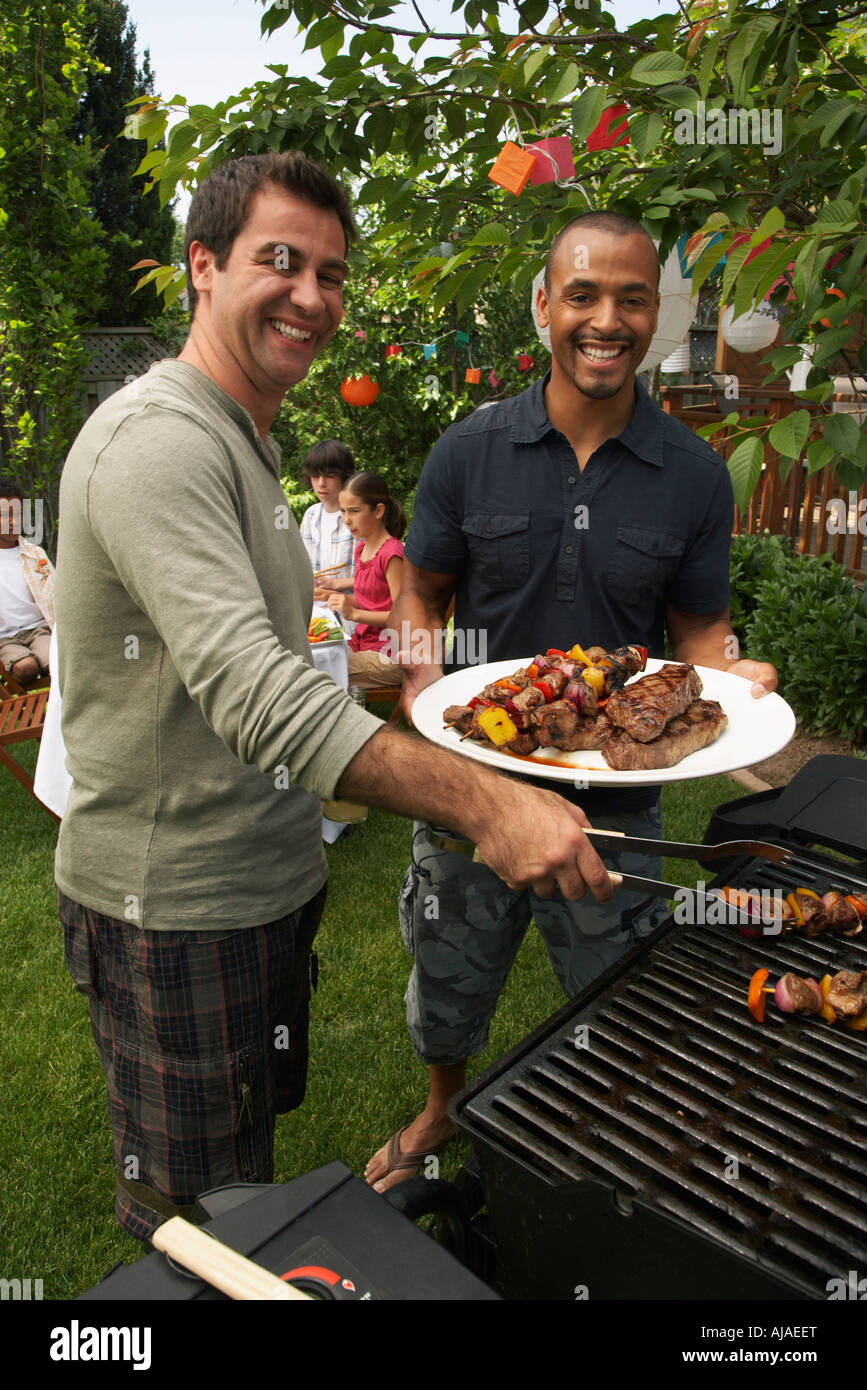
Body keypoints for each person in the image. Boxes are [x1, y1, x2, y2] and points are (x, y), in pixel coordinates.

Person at [54, 151, 612, 1242]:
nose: (314, 295)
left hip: (253, 894)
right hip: (177, 915)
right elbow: (259, 697)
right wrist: (490, 802)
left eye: (332, 272)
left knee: (243, 1179)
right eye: (281, 260)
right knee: (196, 1229)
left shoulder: (242, 440)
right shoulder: (157, 443)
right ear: (201, 266)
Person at [364, 210, 778, 1192]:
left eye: (633, 297)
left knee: (617, 981)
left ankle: (617, 1121)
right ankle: (440, 1105)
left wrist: (732, 674)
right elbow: (421, 585)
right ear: (545, 305)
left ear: (658, 317)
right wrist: (423, 672)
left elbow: (698, 632)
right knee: (448, 968)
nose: (608, 317)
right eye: (584, 294)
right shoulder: (468, 452)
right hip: (471, 779)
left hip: (614, 791)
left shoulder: (696, 475)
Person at [328, 470, 405, 688]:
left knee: (320, 669)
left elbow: (402, 617)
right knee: (313, 650)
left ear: (379, 510)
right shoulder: (361, 548)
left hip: (390, 653)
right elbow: (372, 601)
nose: (346, 519)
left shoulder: (392, 554)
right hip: (363, 643)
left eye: (354, 511)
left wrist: (353, 613)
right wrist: (333, 597)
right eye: (342, 511)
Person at [0, 477, 54, 688]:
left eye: (18, 514)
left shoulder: (34, 554)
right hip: (5, 638)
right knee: (26, 668)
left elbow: (55, 595)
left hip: (38, 629)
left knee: (56, 663)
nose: (12, 522)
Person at [298, 439, 356, 602]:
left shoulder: (357, 517)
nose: (321, 484)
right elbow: (303, 567)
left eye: (329, 476)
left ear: (343, 477)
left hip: (351, 613)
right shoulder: (311, 515)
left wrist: (334, 584)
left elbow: (372, 579)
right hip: (316, 611)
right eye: (315, 476)